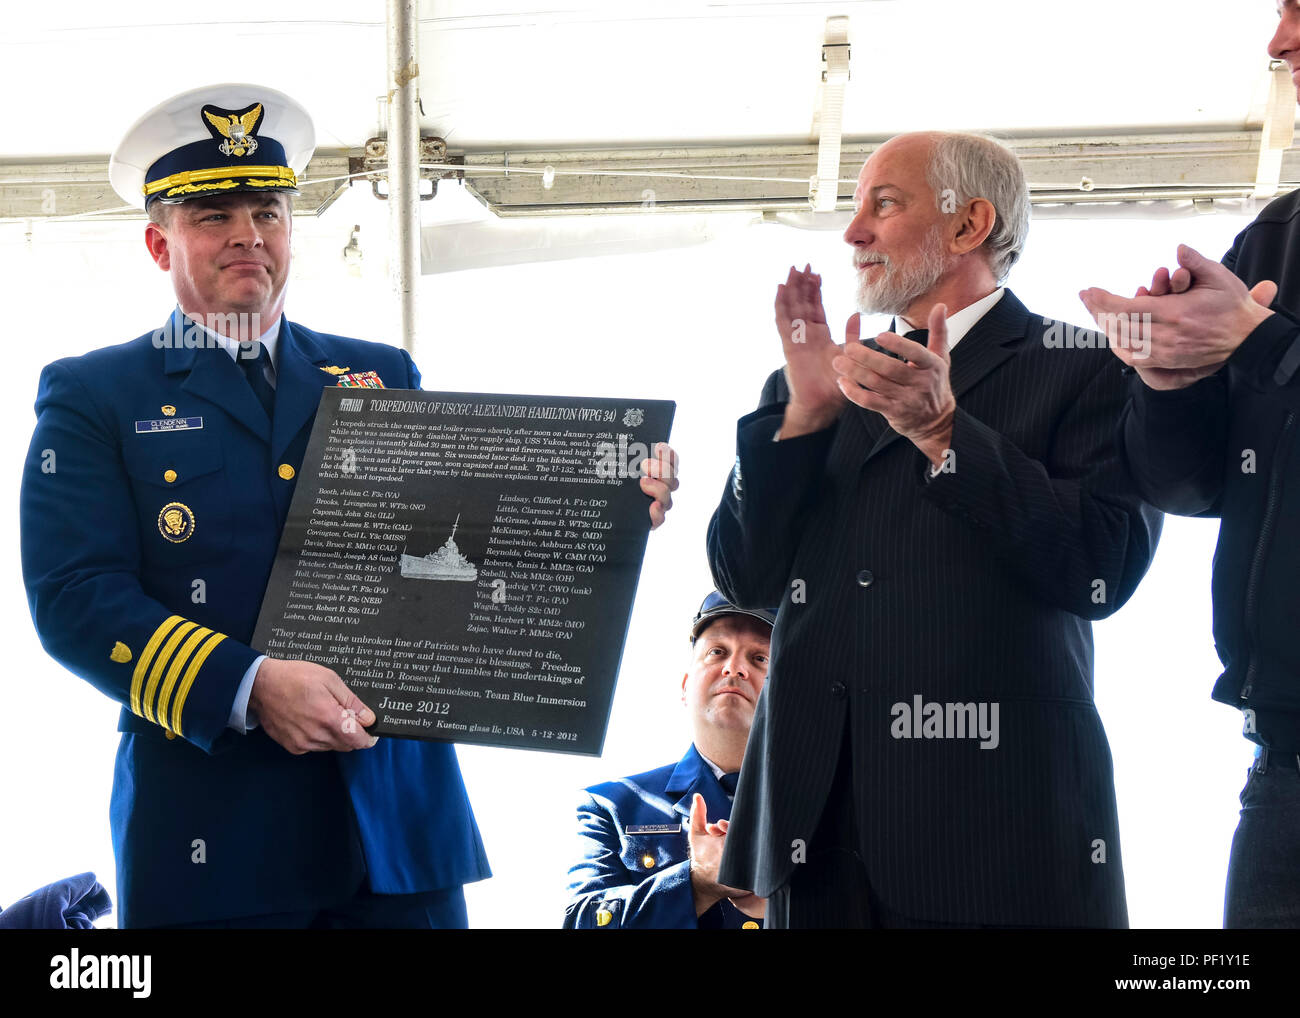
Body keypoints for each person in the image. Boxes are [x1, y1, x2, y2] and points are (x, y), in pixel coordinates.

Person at [19, 84, 680, 929]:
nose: (248, 234)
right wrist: (250, 687)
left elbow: (450, 561)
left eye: (268, 210)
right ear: (158, 243)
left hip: (395, 834)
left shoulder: (380, 373)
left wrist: (604, 515)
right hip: (213, 840)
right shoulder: (95, 393)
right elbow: (75, 599)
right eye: (213, 214)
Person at [706, 131, 1162, 928]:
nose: (853, 234)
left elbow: (1104, 564)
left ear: (968, 224)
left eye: (884, 204)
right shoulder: (819, 378)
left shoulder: (1090, 368)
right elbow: (744, 580)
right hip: (812, 831)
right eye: (854, 208)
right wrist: (800, 422)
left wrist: (947, 434)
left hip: (995, 840)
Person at [1076, 2, 1300, 930]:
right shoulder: (1278, 238)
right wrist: (1168, 378)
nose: (1279, 46)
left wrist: (1263, 347)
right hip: (1282, 764)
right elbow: (1194, 484)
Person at [564, 592, 773, 929]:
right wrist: (695, 884)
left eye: (760, 658)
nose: (734, 667)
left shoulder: (836, 808)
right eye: (717, 652)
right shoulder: (610, 804)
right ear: (686, 687)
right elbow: (581, 922)